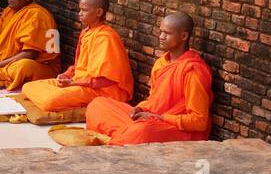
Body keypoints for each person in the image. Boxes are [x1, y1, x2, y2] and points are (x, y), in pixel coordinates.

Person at [85, 11, 212, 144]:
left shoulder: (192, 70)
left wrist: (160, 118)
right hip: (152, 118)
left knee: (142, 131)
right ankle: (125, 136)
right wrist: (140, 108)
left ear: (184, 36)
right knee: (97, 104)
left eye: (167, 33)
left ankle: (124, 137)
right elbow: (154, 100)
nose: (161, 37)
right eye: (161, 32)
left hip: (175, 128)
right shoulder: (161, 62)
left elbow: (199, 122)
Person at [20, 0, 133, 111]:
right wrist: (66, 75)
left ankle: (71, 101)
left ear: (99, 12)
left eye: (84, 10)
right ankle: (63, 96)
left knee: (50, 102)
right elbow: (79, 66)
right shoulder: (86, 33)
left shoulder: (106, 37)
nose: (80, 14)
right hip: (80, 83)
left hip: (103, 91)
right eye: (80, 10)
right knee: (28, 87)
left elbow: (106, 80)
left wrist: (73, 84)